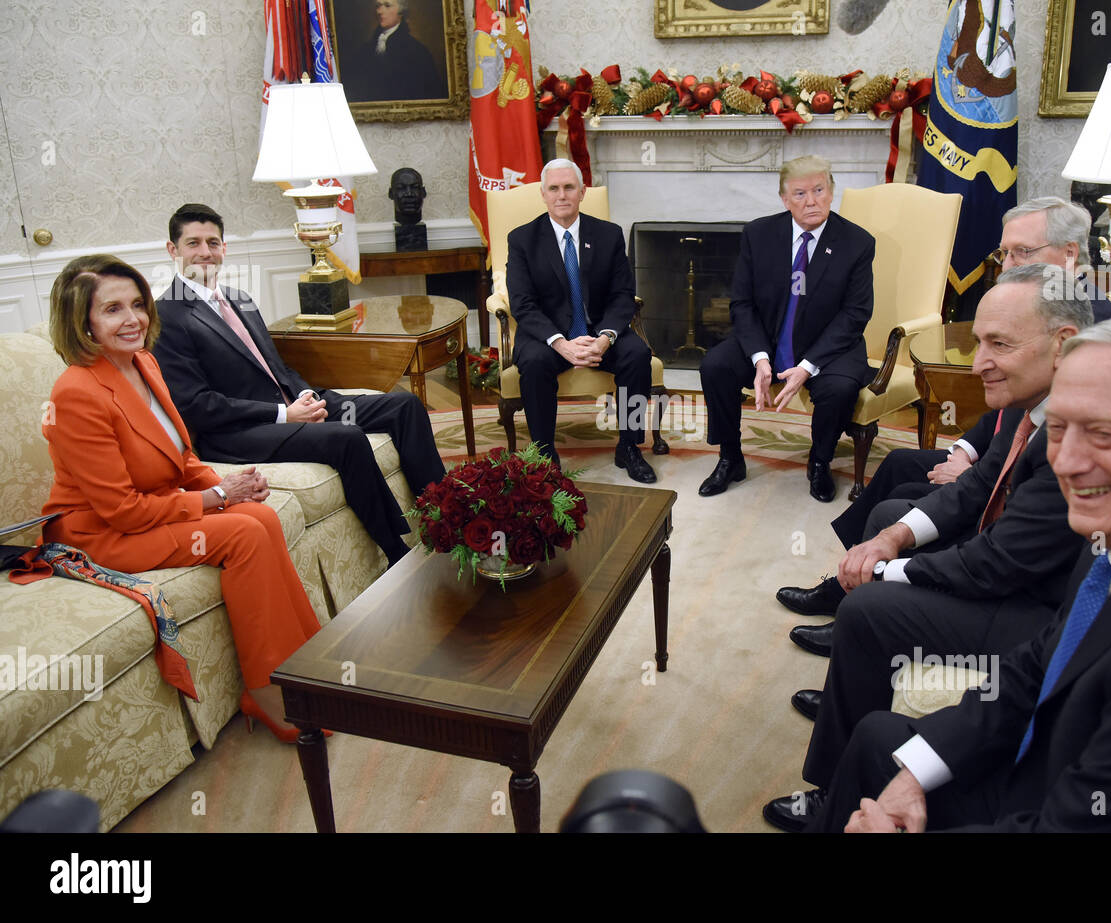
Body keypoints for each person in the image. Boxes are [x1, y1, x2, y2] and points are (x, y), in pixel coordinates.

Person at [809, 312, 1111, 833]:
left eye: (1105, 433)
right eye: (1060, 429)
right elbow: (1037, 665)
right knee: (880, 744)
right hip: (1055, 765)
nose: (1067, 462)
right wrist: (918, 770)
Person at [763, 264, 1094, 831]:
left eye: (999, 344)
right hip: (1013, 575)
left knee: (869, 608)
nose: (979, 361)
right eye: (979, 342)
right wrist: (891, 538)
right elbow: (975, 487)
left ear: (1062, 344)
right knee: (887, 533)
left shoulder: (1076, 434)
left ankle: (834, 791)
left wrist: (886, 570)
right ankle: (848, 729)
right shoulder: (1032, 401)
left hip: (1037, 611)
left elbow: (995, 565)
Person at [779, 196, 1111, 617]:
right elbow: (1011, 414)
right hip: (998, 460)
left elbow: (1041, 448)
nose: (1007, 266)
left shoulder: (1094, 333)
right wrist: (965, 451)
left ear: (1069, 254)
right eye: (1003, 253)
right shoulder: (1035, 307)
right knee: (898, 465)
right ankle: (852, 581)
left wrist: (980, 472)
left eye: (1022, 252)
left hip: (1025, 494)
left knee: (896, 505)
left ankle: (863, 592)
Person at [40, 255, 321, 742]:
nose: (133, 319)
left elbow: (182, 456)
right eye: (112, 309)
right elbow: (122, 511)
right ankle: (267, 690)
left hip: (153, 507)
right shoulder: (76, 393)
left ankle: (307, 670)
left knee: (259, 515)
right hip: (101, 534)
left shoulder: (144, 363)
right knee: (242, 533)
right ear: (82, 322)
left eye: (137, 304)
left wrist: (229, 488)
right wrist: (217, 497)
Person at [152, 203, 444, 568]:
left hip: (293, 404)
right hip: (241, 431)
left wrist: (305, 394)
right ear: (173, 250)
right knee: (346, 436)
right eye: (193, 243)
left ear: (224, 248)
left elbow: (275, 366)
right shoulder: (166, 316)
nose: (205, 252)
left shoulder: (239, 299)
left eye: (213, 242)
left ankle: (443, 515)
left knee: (404, 406)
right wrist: (284, 414)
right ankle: (395, 551)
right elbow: (196, 404)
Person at [698, 155, 875, 503]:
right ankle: (730, 458)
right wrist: (760, 358)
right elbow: (742, 303)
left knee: (840, 388)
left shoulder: (857, 243)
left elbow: (855, 314)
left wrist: (808, 366)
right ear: (784, 199)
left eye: (819, 190)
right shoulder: (758, 234)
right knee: (715, 366)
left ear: (831, 191)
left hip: (830, 346)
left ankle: (820, 461)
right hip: (768, 337)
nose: (811, 201)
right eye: (800, 194)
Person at [504, 158, 657, 481]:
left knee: (637, 354)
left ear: (582, 192)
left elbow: (622, 294)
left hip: (598, 330)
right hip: (548, 336)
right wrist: (561, 344)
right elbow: (523, 304)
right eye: (554, 189)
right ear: (543, 194)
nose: (562, 195)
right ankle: (545, 455)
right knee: (533, 363)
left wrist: (605, 338)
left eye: (569, 187)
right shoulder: (522, 240)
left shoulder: (609, 235)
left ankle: (629, 446)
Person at [345, 0, 446, 103]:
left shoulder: (417, 51)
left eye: (387, 6)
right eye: (378, 6)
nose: (379, 11)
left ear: (401, 12)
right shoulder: (365, 50)